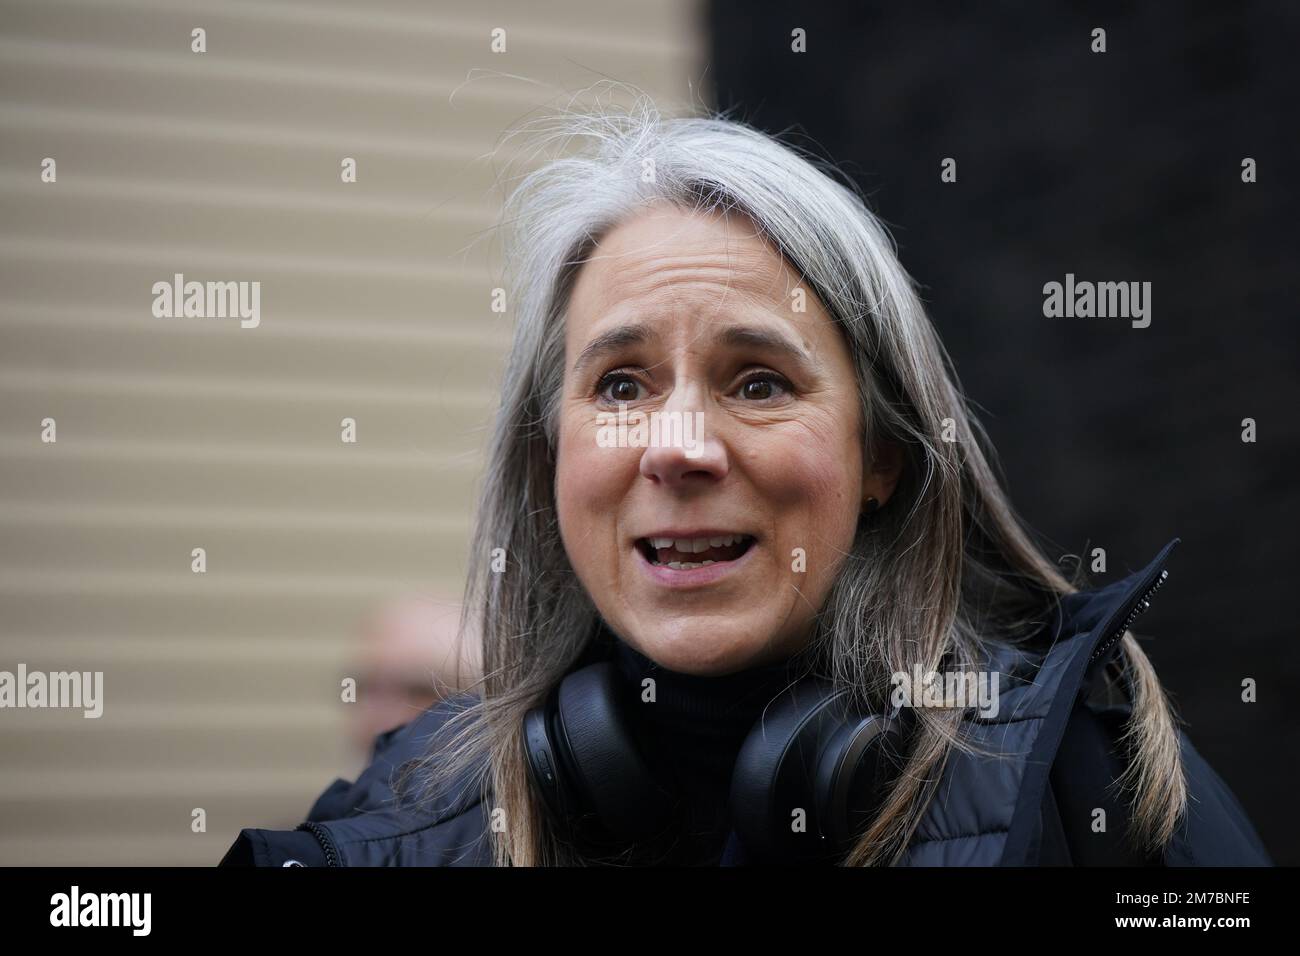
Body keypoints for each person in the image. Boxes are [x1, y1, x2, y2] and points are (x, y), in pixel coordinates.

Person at [220, 92, 1270, 867]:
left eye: (759, 380)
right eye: (621, 384)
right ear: (549, 461)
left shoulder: (1088, 780)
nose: (677, 446)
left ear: (882, 457)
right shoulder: (397, 816)